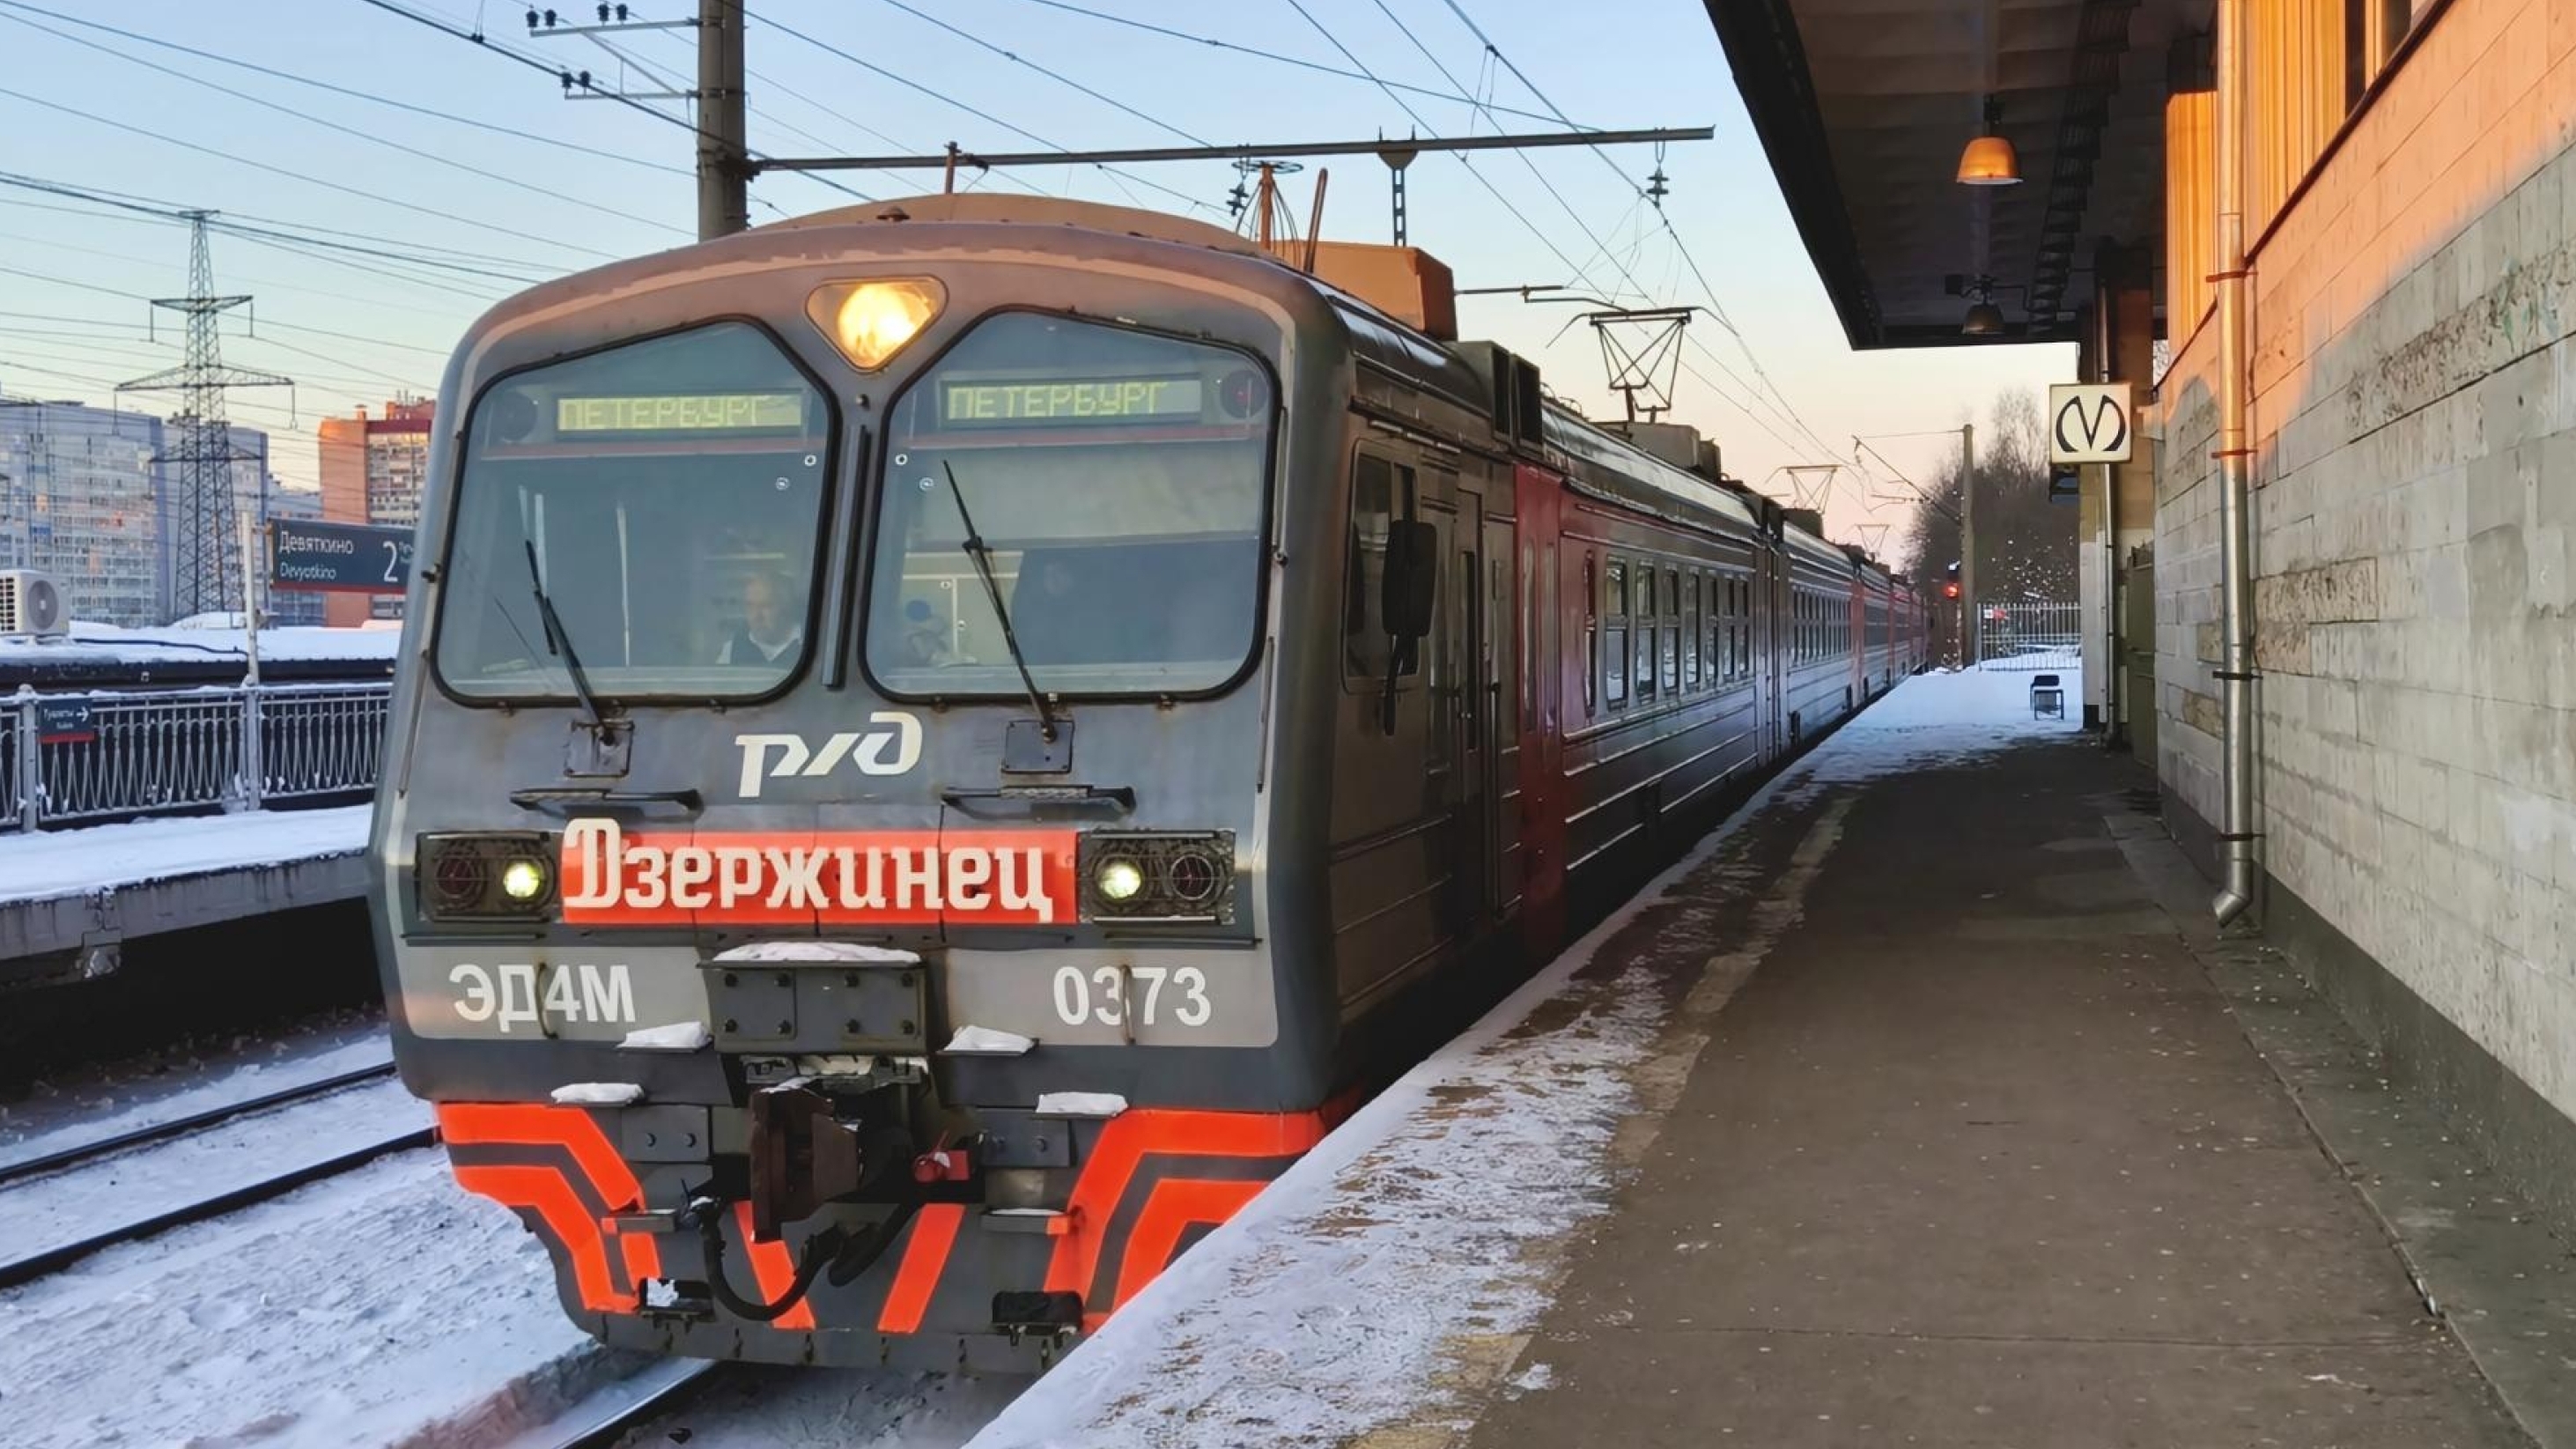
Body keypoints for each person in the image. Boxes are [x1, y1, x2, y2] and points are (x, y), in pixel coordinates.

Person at [717, 570, 802, 665]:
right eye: (750, 606)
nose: (756, 616)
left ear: (785, 607)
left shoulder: (810, 644)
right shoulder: (732, 651)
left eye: (766, 606)